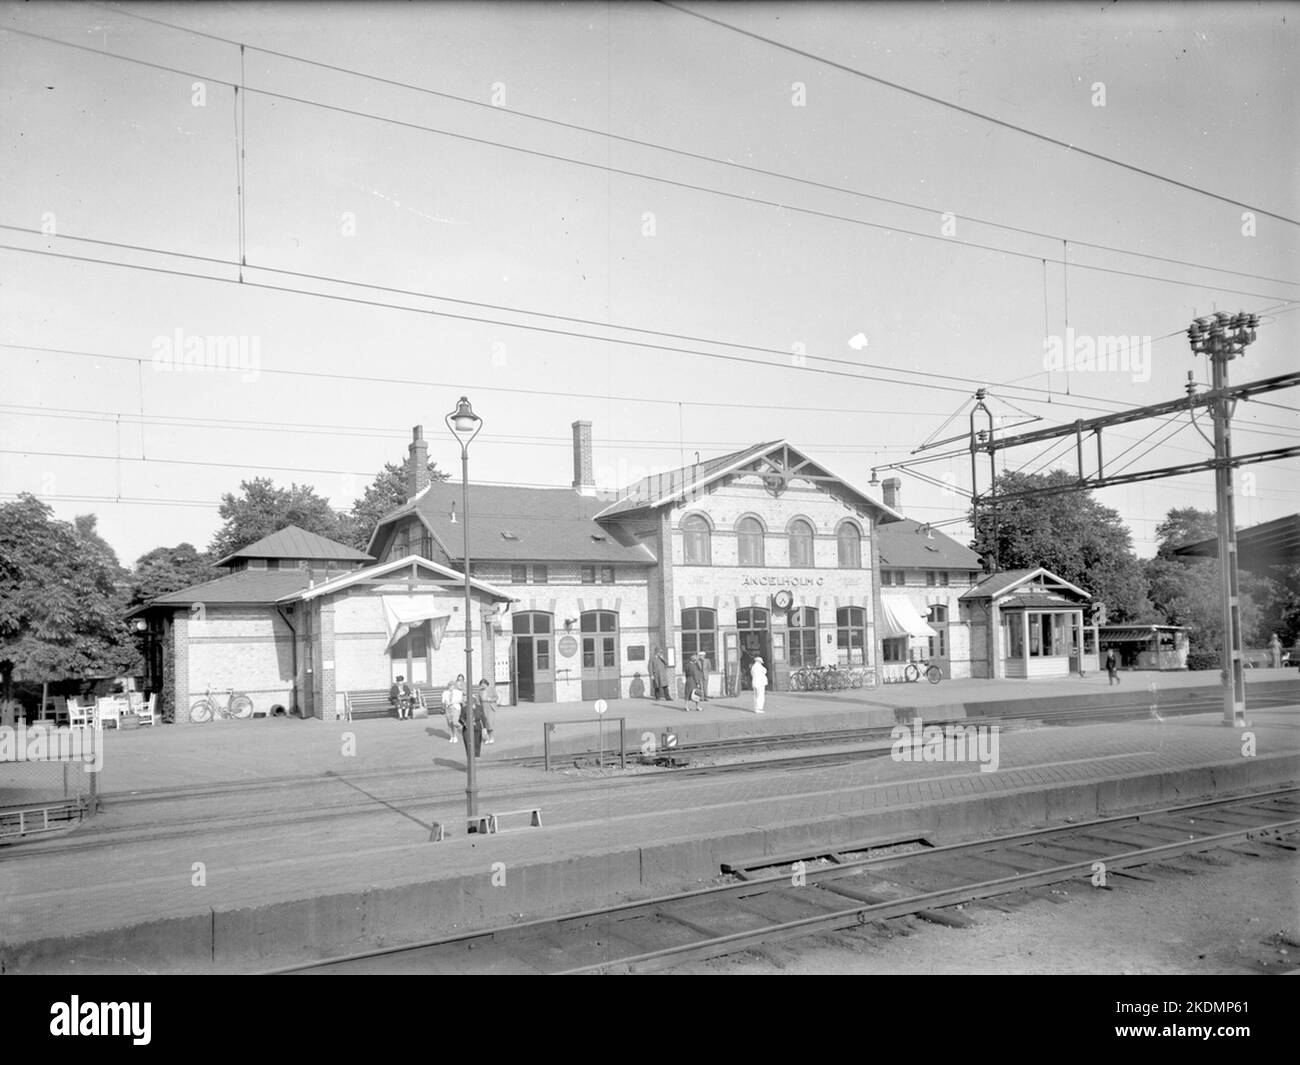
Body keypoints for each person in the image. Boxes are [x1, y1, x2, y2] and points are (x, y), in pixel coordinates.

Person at [444, 674, 465, 743]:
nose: (451, 687)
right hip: (448, 709)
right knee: (450, 723)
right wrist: (446, 702)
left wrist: (452, 702)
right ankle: (452, 736)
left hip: (456, 708)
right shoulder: (445, 693)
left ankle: (456, 735)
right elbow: (443, 700)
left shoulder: (458, 692)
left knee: (454, 722)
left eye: (452, 686)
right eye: (450, 686)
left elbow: (460, 700)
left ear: (454, 686)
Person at [476, 678, 498, 744]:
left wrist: (491, 699)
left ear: (486, 684)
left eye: (483, 685)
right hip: (483, 707)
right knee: (485, 723)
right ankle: (487, 738)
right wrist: (478, 706)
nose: (482, 686)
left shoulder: (491, 689)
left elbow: (496, 697)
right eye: (481, 685)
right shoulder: (480, 691)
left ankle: (491, 737)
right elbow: (478, 700)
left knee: (490, 723)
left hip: (490, 707)